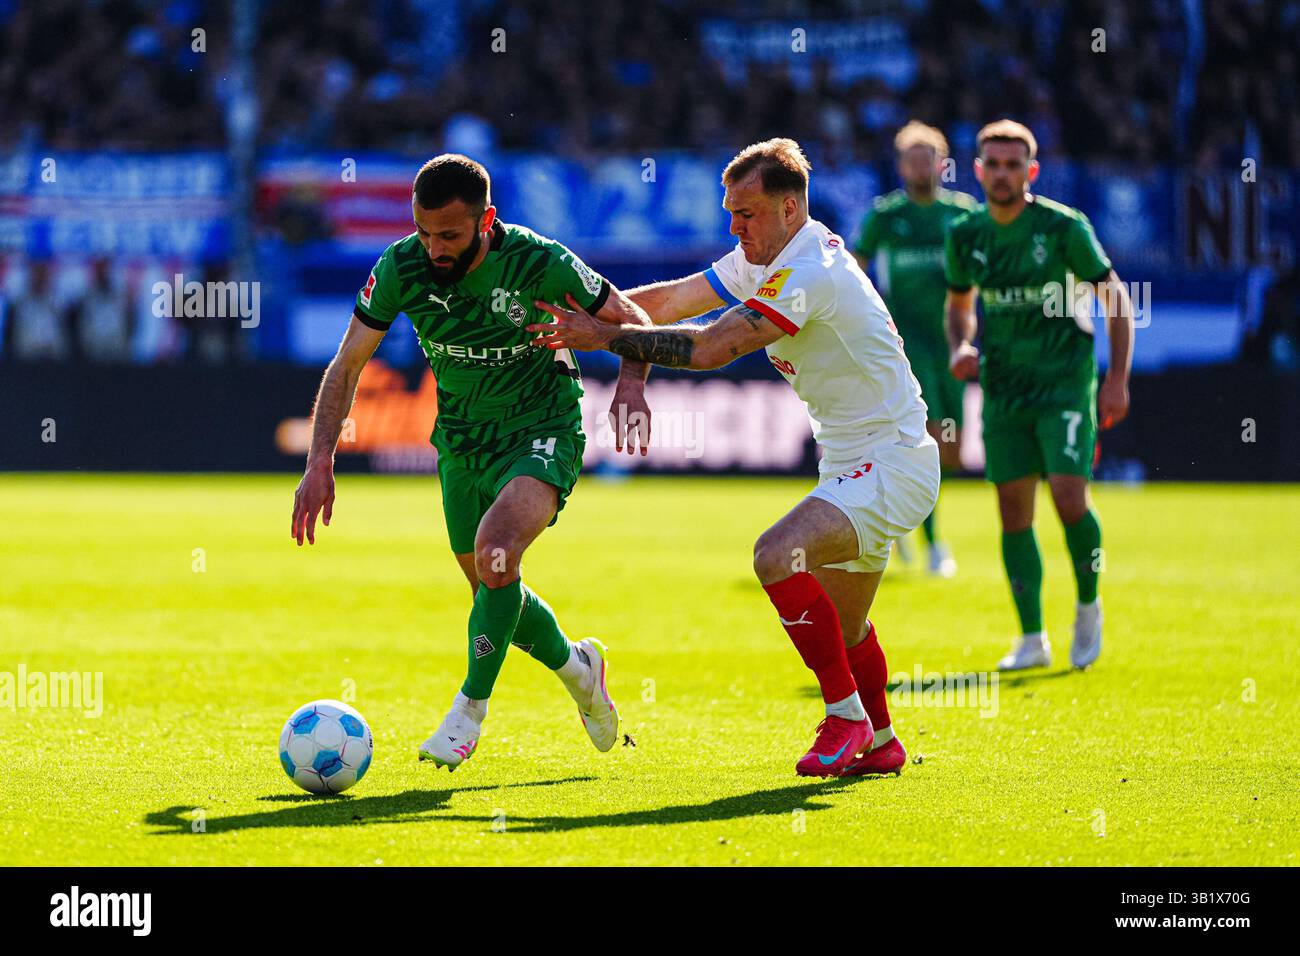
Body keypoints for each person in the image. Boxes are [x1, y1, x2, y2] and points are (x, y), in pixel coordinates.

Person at [528, 139, 938, 777]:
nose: (734, 226)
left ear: (790, 207)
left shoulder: (810, 272)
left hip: (893, 460)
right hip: (852, 462)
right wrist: (588, 314)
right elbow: (663, 305)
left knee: (777, 555)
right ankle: (881, 738)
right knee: (848, 625)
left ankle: (845, 717)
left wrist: (606, 337)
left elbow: (714, 347)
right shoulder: (767, 256)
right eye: (730, 212)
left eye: (746, 213)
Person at [290, 154, 655, 771]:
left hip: (543, 427)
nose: (433, 246)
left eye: (450, 235)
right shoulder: (402, 265)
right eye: (424, 231)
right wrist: (319, 460)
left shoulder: (537, 260)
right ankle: (579, 668)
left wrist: (631, 383)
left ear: (486, 219)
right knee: (493, 581)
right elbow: (348, 363)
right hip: (460, 441)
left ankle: (469, 712)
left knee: (495, 551)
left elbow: (633, 319)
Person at [943, 120, 1134, 670]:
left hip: (1064, 385)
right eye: (992, 164)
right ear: (978, 171)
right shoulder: (966, 234)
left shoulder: (1063, 227)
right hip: (1003, 389)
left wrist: (1117, 379)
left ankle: (1089, 605)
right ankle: (1031, 638)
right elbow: (959, 308)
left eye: (1013, 165)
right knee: (1011, 512)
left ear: (1031, 171)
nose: (1002, 174)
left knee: (1071, 498)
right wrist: (961, 347)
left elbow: (1115, 300)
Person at [854, 121, 978, 577]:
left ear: (942, 164)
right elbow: (854, 269)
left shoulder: (962, 215)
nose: (920, 165)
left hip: (952, 343)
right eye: (911, 157)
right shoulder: (885, 215)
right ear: (902, 165)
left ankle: (901, 516)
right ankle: (933, 545)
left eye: (928, 157)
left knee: (953, 449)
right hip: (906, 346)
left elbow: (981, 273)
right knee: (924, 437)